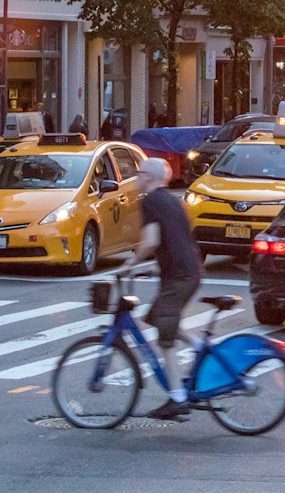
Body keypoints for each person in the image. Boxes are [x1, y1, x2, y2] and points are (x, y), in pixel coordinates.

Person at [119, 157, 204, 419]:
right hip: (187, 272)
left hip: (179, 276)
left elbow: (152, 241)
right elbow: (174, 239)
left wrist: (130, 264)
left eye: (139, 173)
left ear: (150, 177)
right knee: (157, 317)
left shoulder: (151, 201)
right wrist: (156, 266)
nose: (136, 178)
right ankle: (199, 345)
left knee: (165, 338)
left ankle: (177, 397)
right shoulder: (171, 200)